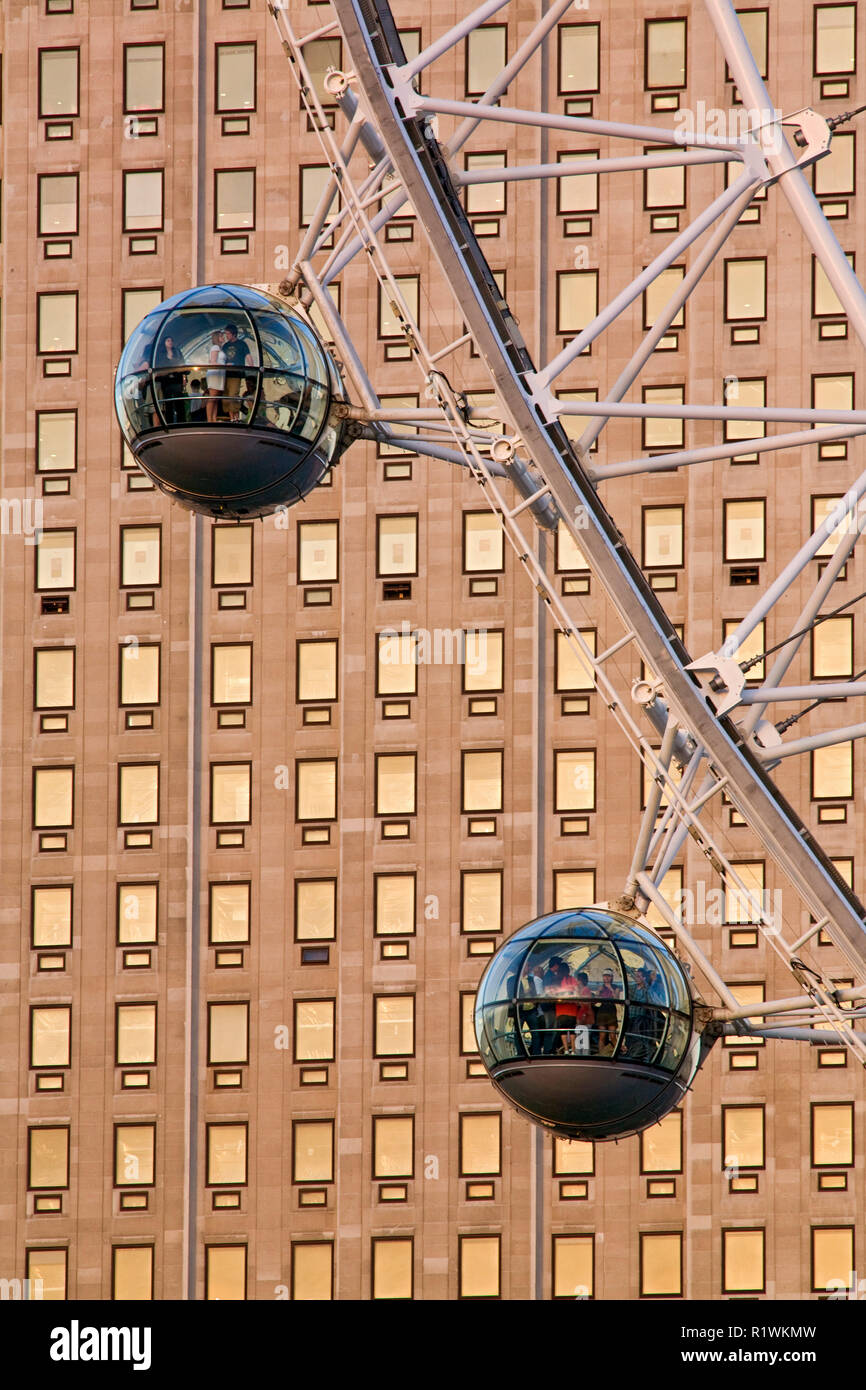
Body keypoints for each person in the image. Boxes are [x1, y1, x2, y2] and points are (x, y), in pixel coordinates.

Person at [222, 323, 254, 422]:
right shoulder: (225, 345)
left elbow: (248, 356)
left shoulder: (241, 344)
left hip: (236, 374)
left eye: (228, 334)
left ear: (233, 334)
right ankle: (231, 417)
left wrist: (252, 369)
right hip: (226, 374)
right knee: (226, 396)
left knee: (233, 394)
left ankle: (234, 418)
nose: (226, 336)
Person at [156, 334, 186, 424]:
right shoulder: (161, 354)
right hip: (167, 382)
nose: (170, 342)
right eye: (168, 341)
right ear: (164, 343)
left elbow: (181, 364)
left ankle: (181, 421)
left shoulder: (177, 352)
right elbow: (161, 366)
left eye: (171, 341)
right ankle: (169, 422)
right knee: (168, 403)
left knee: (179, 402)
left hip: (176, 380)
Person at [595, 967, 621, 1054]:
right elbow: (596, 1000)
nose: (606, 978)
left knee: (612, 1035)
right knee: (602, 1035)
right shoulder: (601, 987)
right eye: (605, 976)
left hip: (611, 1011)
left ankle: (618, 1051)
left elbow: (617, 998)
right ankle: (601, 1053)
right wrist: (598, 992)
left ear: (611, 977)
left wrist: (610, 988)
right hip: (602, 1010)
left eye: (608, 976)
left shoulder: (615, 987)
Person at [206, 330, 226, 422]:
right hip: (215, 373)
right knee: (213, 396)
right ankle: (209, 419)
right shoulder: (215, 347)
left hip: (220, 373)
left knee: (216, 398)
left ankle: (214, 418)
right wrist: (225, 366)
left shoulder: (220, 348)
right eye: (221, 336)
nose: (223, 338)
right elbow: (213, 361)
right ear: (217, 338)